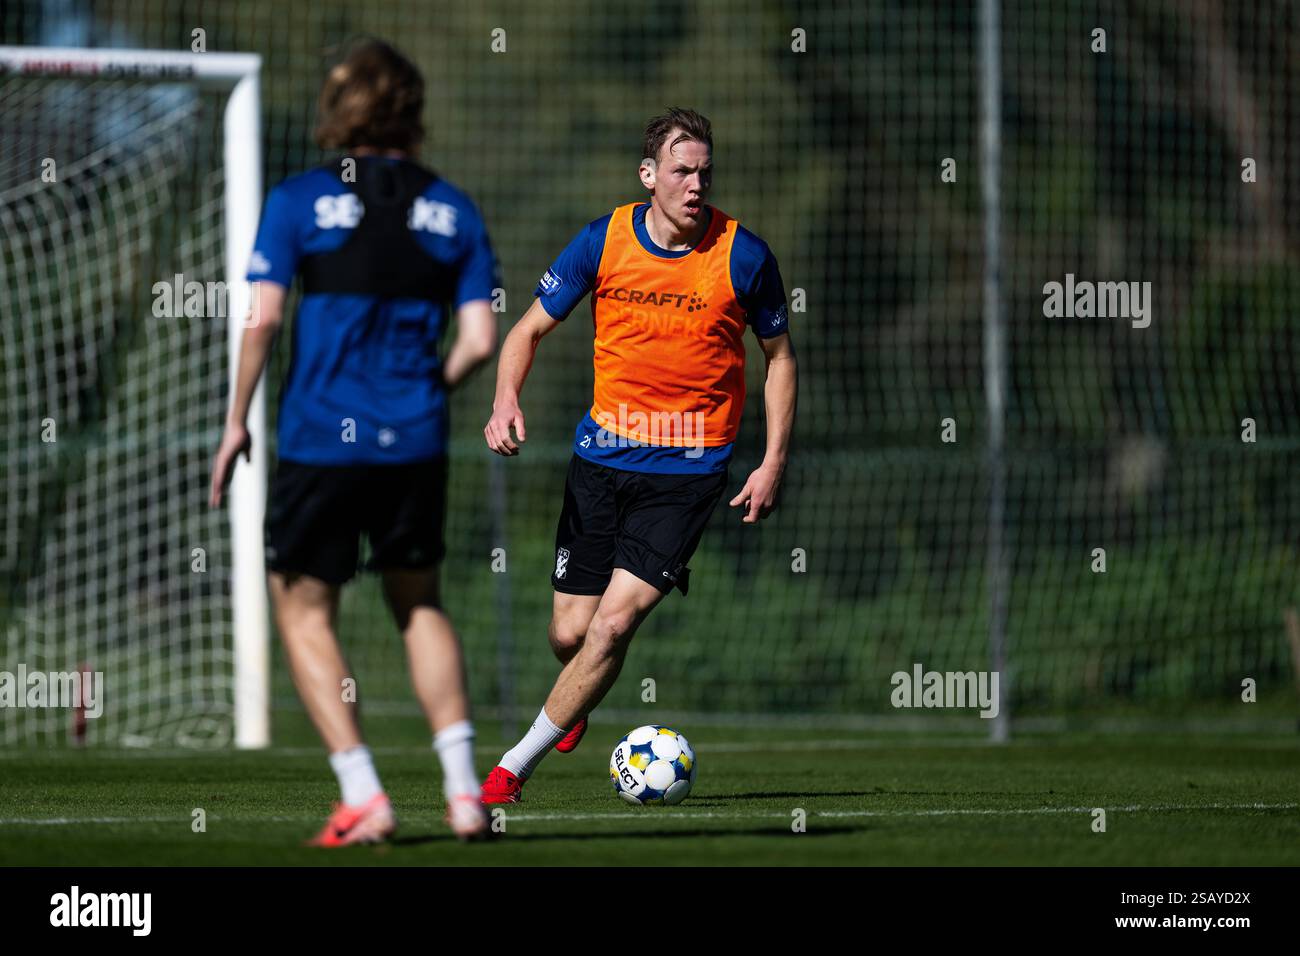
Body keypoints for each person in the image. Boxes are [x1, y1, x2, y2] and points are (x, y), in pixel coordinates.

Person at [210, 39, 498, 842]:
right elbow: (478, 338)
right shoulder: (454, 209)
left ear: (343, 107)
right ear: (412, 110)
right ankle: (465, 791)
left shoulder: (301, 200)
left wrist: (236, 420)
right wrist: (425, 393)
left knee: (303, 610)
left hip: (319, 441)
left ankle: (364, 793)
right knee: (419, 601)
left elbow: (263, 317)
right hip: (414, 442)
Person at [480, 107, 797, 802]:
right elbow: (527, 330)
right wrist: (506, 399)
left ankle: (508, 772)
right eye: (682, 171)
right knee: (572, 635)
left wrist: (772, 460)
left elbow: (779, 360)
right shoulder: (602, 242)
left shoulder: (745, 256)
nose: (696, 184)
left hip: (688, 474)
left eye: (705, 172)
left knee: (615, 623)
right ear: (648, 175)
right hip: (600, 464)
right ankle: (577, 697)